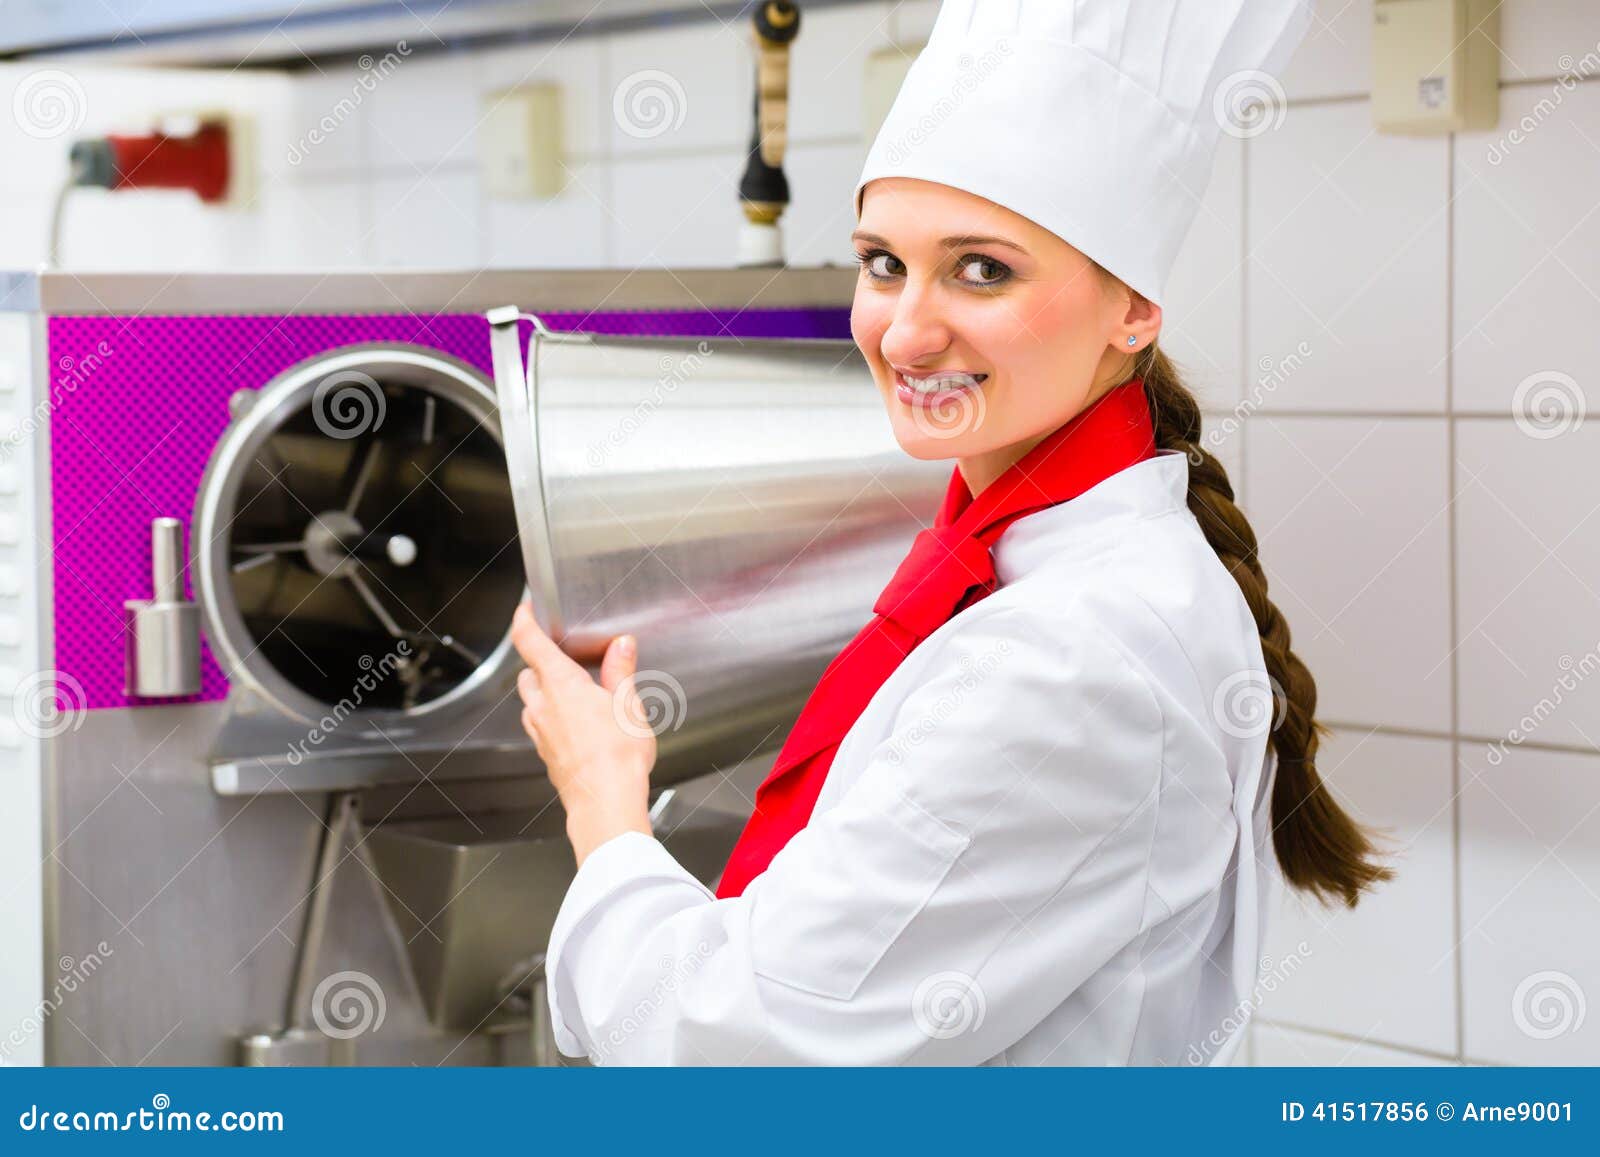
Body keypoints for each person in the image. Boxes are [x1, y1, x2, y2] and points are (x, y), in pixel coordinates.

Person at [509, 0, 1393, 1065]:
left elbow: (733, 1045)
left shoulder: (1071, 657)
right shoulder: (1035, 572)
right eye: (883, 262)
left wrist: (604, 800)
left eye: (982, 269)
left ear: (1135, 308)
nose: (908, 329)